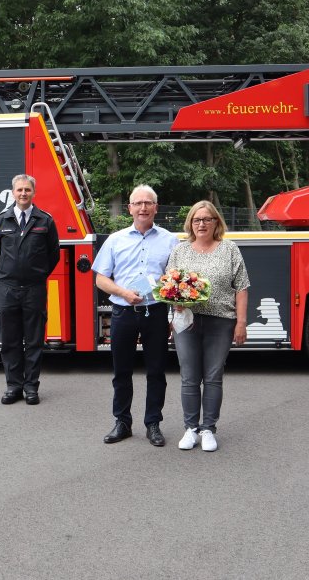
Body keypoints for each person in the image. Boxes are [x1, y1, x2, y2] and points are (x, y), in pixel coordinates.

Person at [92, 185, 178, 447]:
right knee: (122, 371)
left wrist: (174, 314)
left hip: (155, 312)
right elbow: (100, 279)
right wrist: (123, 293)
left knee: (156, 371)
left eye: (148, 203)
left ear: (156, 207)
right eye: (137, 203)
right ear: (129, 208)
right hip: (123, 312)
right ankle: (122, 422)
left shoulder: (170, 240)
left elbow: (177, 281)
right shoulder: (116, 240)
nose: (143, 208)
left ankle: (153, 423)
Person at [166, 201, 249, 452]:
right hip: (187, 322)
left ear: (216, 223)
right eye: (196, 220)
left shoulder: (230, 249)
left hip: (221, 321)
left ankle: (208, 429)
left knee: (213, 377)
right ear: (190, 223)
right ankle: (191, 429)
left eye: (207, 219)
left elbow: (242, 287)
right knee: (189, 377)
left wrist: (241, 323)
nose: (201, 224)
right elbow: (169, 285)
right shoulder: (180, 250)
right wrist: (175, 303)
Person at [0, 174, 60, 405]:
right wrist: (10, 273)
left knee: (33, 341)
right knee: (9, 341)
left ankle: (31, 387)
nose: (23, 194)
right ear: (12, 193)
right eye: (19, 190)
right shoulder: (1, 221)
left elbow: (53, 255)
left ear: (33, 192)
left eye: (27, 190)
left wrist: (36, 275)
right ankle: (13, 386)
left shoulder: (45, 221)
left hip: (34, 289)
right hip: (8, 289)